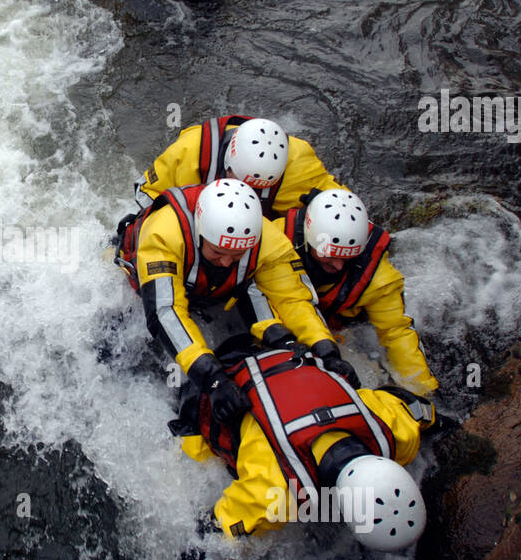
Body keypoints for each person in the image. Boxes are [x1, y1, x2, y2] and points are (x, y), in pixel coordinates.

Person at [168, 337, 438, 560]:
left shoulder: (395, 431)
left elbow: (413, 405)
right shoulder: (278, 492)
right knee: (199, 458)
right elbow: (211, 544)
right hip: (206, 387)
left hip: (272, 345)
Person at [115, 179, 361, 422]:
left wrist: (326, 350)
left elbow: (294, 299)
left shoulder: (268, 239)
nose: (226, 262)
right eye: (218, 252)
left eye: (237, 255)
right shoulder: (164, 234)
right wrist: (211, 376)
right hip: (139, 290)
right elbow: (165, 311)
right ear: (199, 232)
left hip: (208, 293)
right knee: (160, 372)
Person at [279, 189, 440, 396]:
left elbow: (396, 333)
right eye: (329, 255)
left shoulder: (378, 277)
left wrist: (424, 391)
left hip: (340, 325)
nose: (338, 266)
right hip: (287, 322)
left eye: (346, 257)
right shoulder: (279, 243)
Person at [135, 116, 345, 217]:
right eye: (242, 183)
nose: (245, 194)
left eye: (257, 188)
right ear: (227, 164)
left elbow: (340, 205)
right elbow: (148, 193)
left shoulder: (299, 166)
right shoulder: (190, 151)